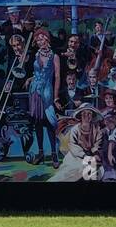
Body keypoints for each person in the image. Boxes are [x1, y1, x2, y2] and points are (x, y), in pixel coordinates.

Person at [26, 27, 61, 165]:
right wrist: (30, 78)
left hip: (46, 91)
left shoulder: (54, 56)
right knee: (38, 123)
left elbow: (57, 77)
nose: (40, 42)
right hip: (34, 91)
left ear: (47, 39)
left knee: (50, 123)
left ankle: (54, 154)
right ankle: (40, 153)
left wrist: (56, 97)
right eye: (38, 39)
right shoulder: (36, 55)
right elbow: (37, 73)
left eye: (42, 39)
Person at [50, 104, 105, 182]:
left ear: (92, 116)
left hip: (91, 156)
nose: (87, 116)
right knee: (72, 171)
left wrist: (95, 153)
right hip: (76, 156)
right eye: (84, 114)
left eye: (89, 114)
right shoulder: (75, 130)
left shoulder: (96, 129)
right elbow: (73, 145)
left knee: (96, 171)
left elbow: (97, 144)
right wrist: (84, 155)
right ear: (80, 116)